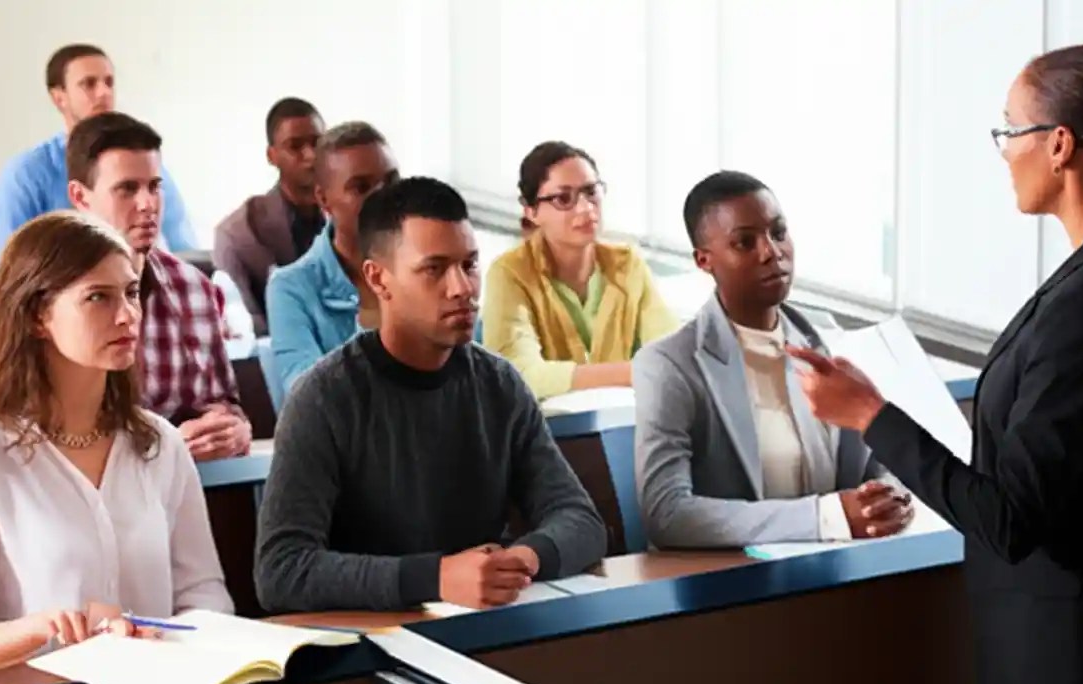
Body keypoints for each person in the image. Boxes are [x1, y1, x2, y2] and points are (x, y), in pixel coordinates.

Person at [790, 44, 1083, 684]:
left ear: (1058, 146)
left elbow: (1009, 521)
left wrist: (871, 416)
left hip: (1081, 676)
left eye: (1009, 129)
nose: (1003, 152)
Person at [255, 177, 606, 613]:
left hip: (483, 628)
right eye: (434, 269)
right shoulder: (323, 397)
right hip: (372, 647)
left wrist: (519, 561)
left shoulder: (499, 384)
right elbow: (281, 571)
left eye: (470, 265)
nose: (461, 288)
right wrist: (435, 577)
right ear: (378, 278)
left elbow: (582, 521)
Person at [0, 212, 233, 666]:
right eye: (98, 297)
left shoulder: (161, 444)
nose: (127, 315)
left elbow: (205, 593)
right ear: (38, 315)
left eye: (132, 293)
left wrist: (167, 637)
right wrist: (44, 627)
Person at [633, 171, 912, 549]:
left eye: (778, 232)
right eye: (744, 242)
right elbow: (666, 513)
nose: (771, 252)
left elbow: (875, 461)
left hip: (839, 570)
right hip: (732, 585)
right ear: (704, 260)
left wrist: (889, 500)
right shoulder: (669, 364)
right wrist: (825, 517)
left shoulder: (827, 340)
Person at [66, 111, 252, 461]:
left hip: (180, 492)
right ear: (80, 197)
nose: (147, 204)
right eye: (127, 189)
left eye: (154, 186)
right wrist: (163, 446)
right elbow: (52, 434)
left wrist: (231, 428)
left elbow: (222, 401)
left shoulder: (193, 288)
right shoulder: (54, 295)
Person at [481, 141, 679, 400]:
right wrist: (636, 373)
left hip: (621, 423)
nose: (586, 208)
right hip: (546, 433)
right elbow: (519, 374)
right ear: (531, 211)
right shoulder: (510, 273)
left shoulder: (628, 265)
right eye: (564, 199)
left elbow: (673, 357)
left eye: (591, 192)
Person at [0, 44, 197, 259]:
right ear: (59, 97)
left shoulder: (146, 165)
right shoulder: (25, 174)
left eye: (109, 82)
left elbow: (185, 250)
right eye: (88, 84)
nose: (104, 93)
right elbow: (7, 268)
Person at [265, 121, 398, 396]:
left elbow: (474, 359)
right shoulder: (290, 287)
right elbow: (307, 394)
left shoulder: (426, 268)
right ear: (324, 199)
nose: (383, 197)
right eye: (361, 187)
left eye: (392, 181)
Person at [214, 98, 327, 334]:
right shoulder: (240, 233)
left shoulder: (350, 211)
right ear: (271, 155)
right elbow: (245, 326)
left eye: (317, 143)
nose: (310, 156)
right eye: (295, 146)